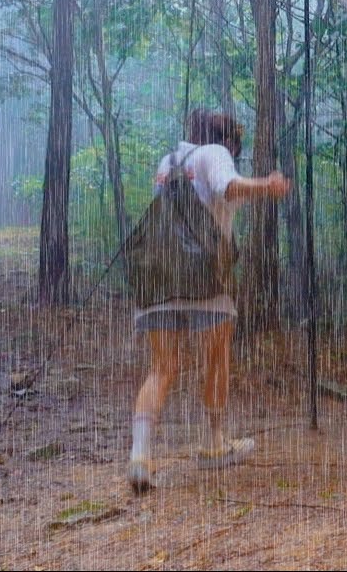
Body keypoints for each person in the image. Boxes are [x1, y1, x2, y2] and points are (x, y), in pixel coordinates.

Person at [126, 108, 291, 493]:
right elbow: (228, 187)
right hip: (202, 277)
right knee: (216, 357)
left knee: (162, 366)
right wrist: (266, 185)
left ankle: (139, 455)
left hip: (158, 275)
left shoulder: (169, 162)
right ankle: (214, 445)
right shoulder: (214, 153)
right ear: (227, 140)